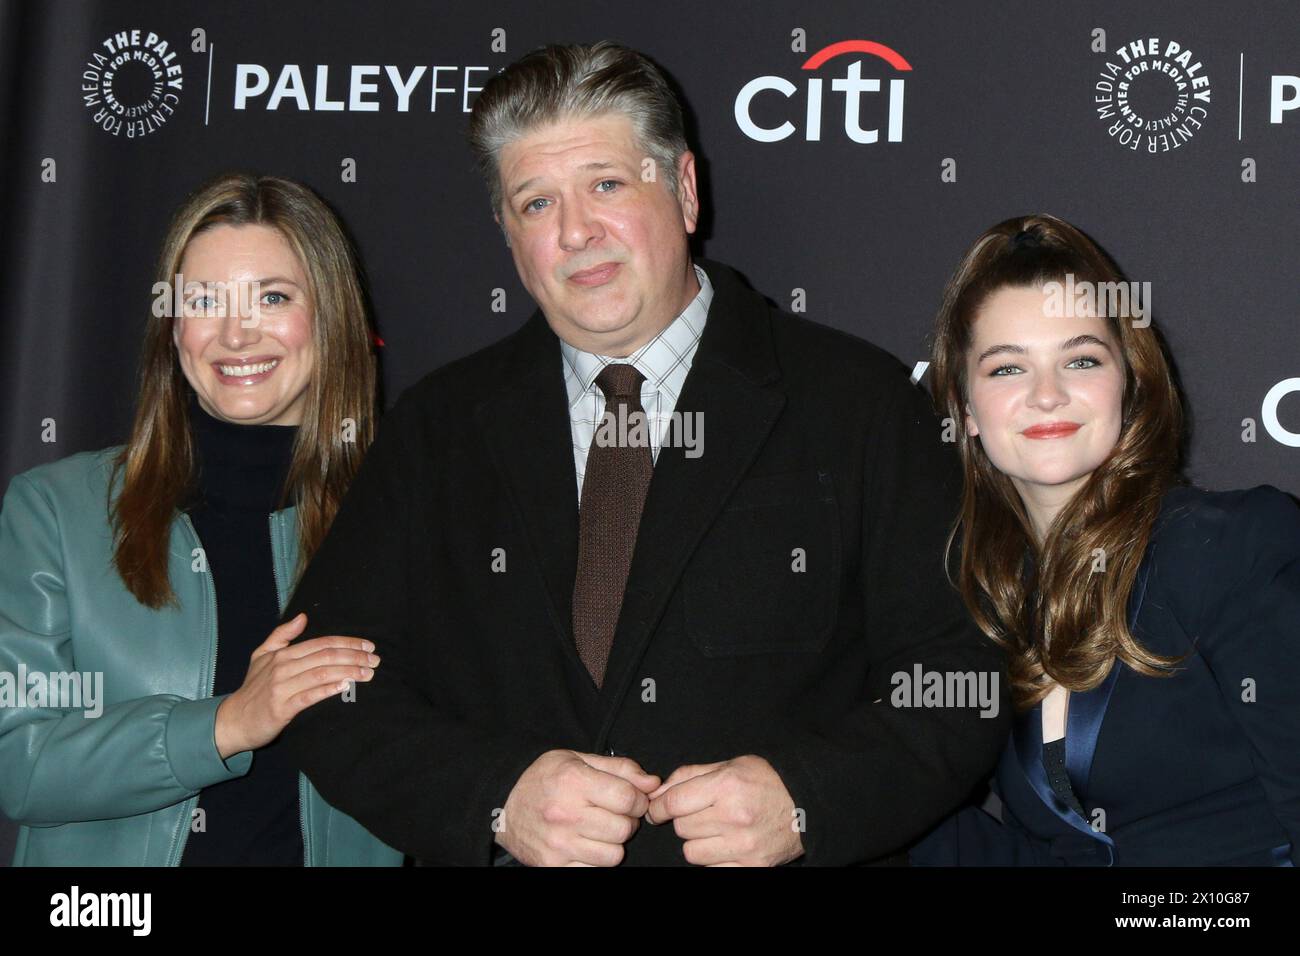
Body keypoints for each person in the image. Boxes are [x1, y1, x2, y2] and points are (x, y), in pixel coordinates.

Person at [278, 41, 1008, 866]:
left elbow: (962, 682)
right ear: (506, 234)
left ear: (685, 191)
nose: (577, 232)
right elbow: (323, 686)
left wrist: (809, 796)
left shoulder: (859, 403)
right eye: (536, 203)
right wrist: (493, 797)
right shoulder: (436, 428)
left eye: (607, 185)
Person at [0, 172, 403, 865]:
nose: (236, 333)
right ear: (173, 327)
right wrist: (226, 724)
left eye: (272, 297)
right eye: (205, 301)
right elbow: (18, 760)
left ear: (332, 316)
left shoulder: (406, 515)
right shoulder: (56, 511)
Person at [909, 213, 1300, 866]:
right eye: (1007, 369)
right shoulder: (983, 596)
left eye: (1081, 359)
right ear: (966, 408)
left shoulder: (1227, 550)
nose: (1047, 395)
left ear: (1131, 382)